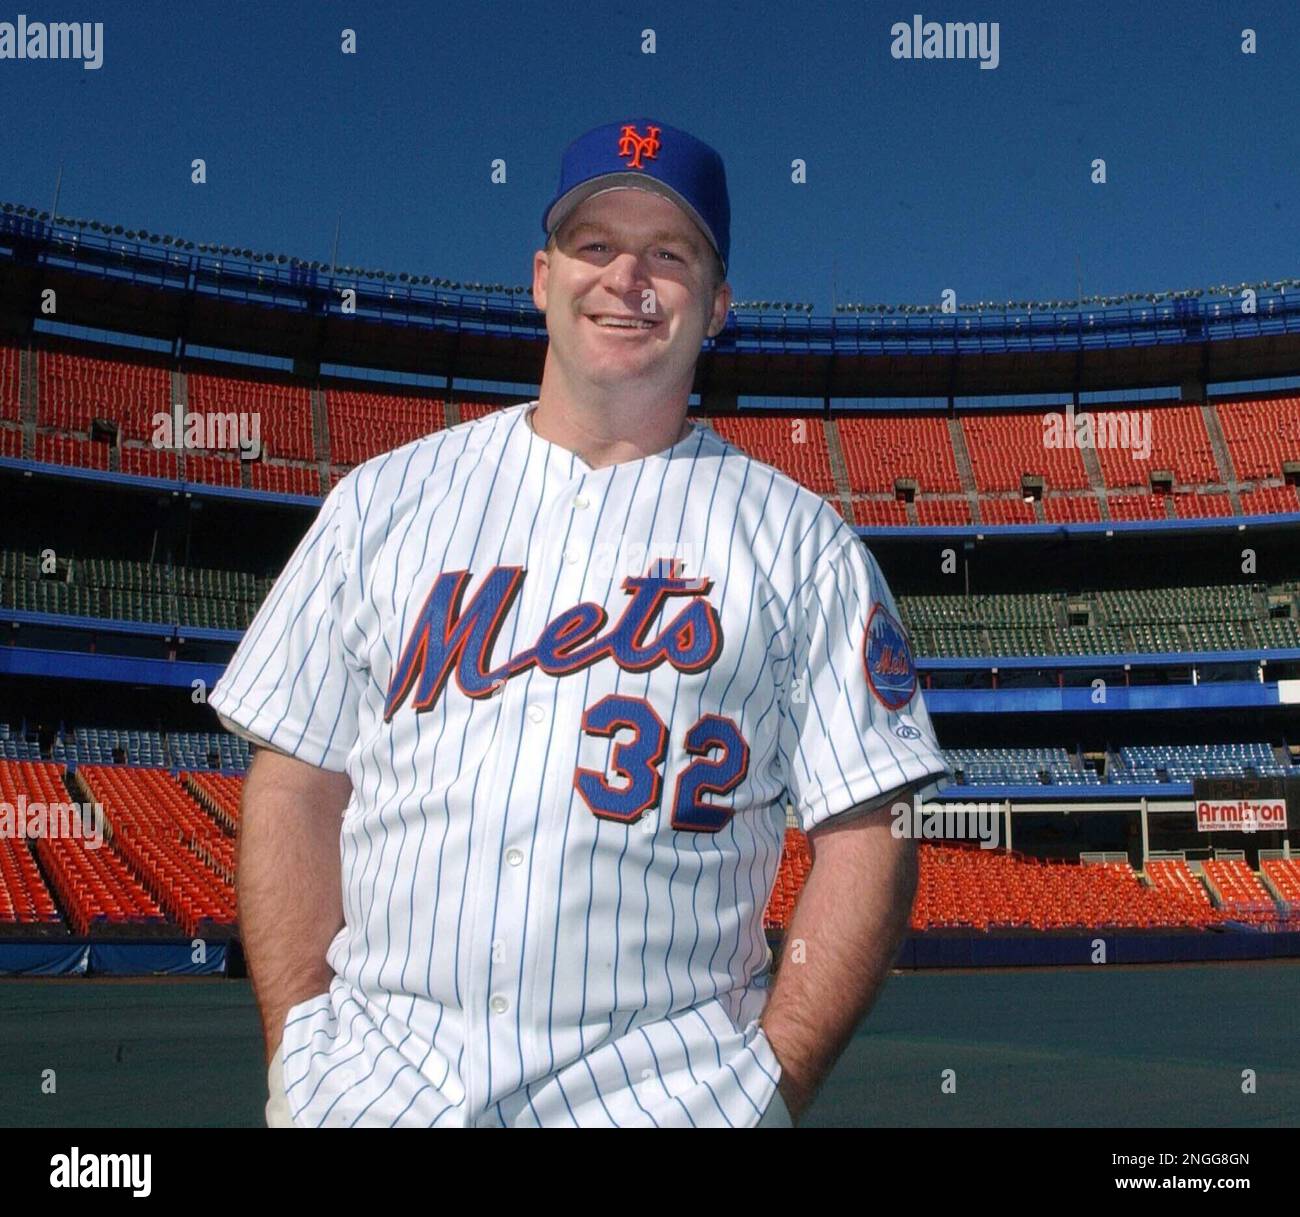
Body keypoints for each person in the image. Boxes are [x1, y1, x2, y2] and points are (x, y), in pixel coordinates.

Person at [211, 117, 949, 1128]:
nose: (625, 278)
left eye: (668, 254)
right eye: (594, 245)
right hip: (370, 1096)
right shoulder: (379, 504)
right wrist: (300, 1045)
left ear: (719, 303)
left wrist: (769, 1089)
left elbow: (871, 826)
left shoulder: (802, 545)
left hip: (663, 1102)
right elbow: (295, 779)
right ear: (539, 275)